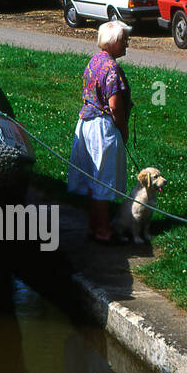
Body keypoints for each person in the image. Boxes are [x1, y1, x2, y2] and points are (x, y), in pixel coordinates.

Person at [69, 20, 131, 243]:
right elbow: (115, 105)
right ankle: (105, 231)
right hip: (102, 127)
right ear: (113, 42)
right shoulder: (112, 68)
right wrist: (122, 130)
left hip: (85, 123)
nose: (127, 44)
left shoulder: (95, 60)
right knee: (103, 179)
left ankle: (94, 227)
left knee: (93, 178)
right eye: (124, 39)